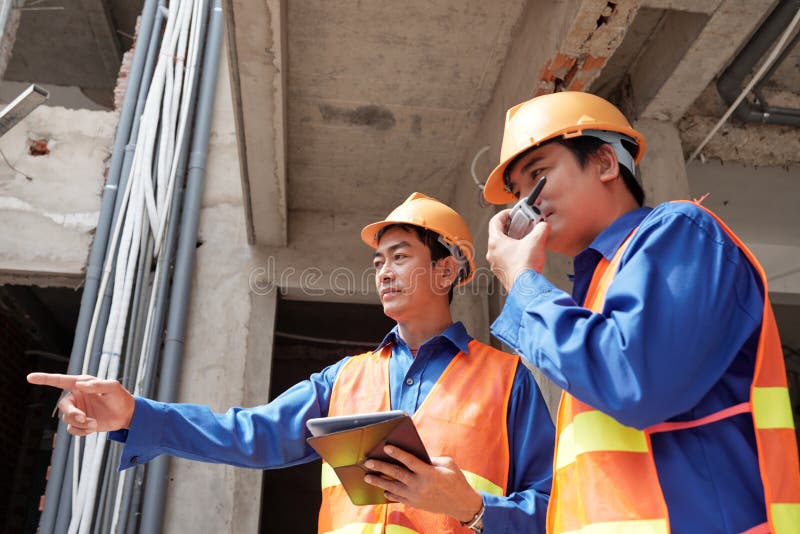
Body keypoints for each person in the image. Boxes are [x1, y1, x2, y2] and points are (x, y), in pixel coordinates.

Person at [30, 192, 555, 533]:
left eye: (400, 256)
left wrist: (474, 510)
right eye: (378, 262)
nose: (383, 272)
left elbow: (552, 509)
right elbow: (249, 433)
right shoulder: (344, 380)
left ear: (446, 272)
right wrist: (135, 415)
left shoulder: (506, 381)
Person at [483, 90, 800, 533]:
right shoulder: (591, 298)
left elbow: (632, 381)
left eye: (538, 175)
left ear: (605, 163)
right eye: (517, 193)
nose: (527, 204)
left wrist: (522, 282)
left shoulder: (681, 232)